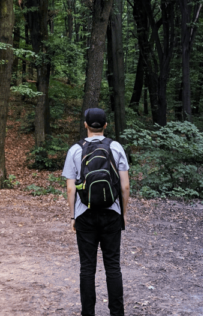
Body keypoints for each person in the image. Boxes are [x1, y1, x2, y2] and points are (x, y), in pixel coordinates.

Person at [62, 108, 130, 316]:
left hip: (85, 214)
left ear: (85, 125)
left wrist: (73, 215)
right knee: (112, 266)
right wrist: (123, 214)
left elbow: (70, 187)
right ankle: (117, 313)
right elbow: (125, 187)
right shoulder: (116, 147)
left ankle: (88, 313)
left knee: (87, 268)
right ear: (106, 126)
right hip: (111, 214)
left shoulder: (75, 150)